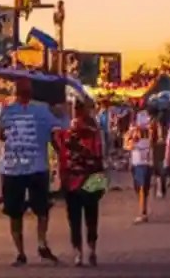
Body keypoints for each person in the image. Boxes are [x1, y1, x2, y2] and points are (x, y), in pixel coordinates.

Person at [0, 78, 65, 267]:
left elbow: (53, 135)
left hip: (37, 167)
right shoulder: (5, 111)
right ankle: (20, 253)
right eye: (20, 87)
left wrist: (62, 159)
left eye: (26, 87)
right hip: (12, 169)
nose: (23, 89)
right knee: (14, 212)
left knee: (42, 209)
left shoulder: (41, 110)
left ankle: (42, 244)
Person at [53, 101, 107, 267]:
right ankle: (81, 252)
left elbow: (99, 158)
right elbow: (62, 156)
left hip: (86, 179)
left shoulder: (93, 134)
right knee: (77, 219)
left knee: (88, 218)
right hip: (74, 181)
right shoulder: (66, 134)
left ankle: (89, 250)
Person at [126, 113, 154, 223]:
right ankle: (143, 209)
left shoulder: (150, 133)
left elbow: (156, 142)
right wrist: (133, 139)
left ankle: (143, 212)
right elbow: (127, 145)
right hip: (136, 163)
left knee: (144, 188)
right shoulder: (132, 133)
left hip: (146, 163)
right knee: (139, 188)